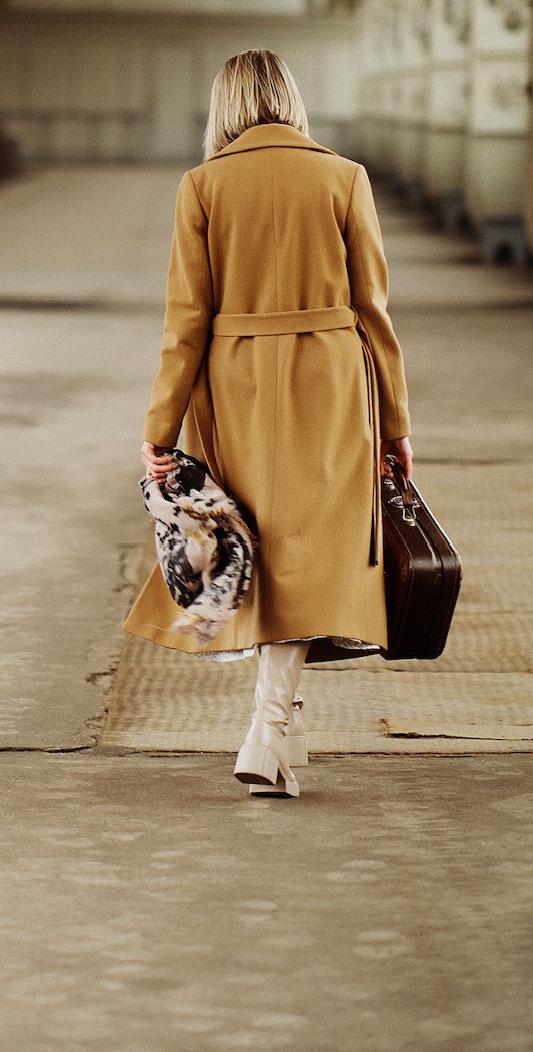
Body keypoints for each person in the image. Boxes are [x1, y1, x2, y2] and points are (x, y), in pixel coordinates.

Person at [126, 49, 411, 798]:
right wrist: (395, 423)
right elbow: (375, 314)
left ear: (225, 105)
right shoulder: (345, 177)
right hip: (332, 383)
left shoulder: (203, 186)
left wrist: (162, 426)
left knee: (270, 554)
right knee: (309, 554)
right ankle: (269, 729)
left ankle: (281, 737)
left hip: (237, 383)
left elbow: (184, 323)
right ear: (289, 98)